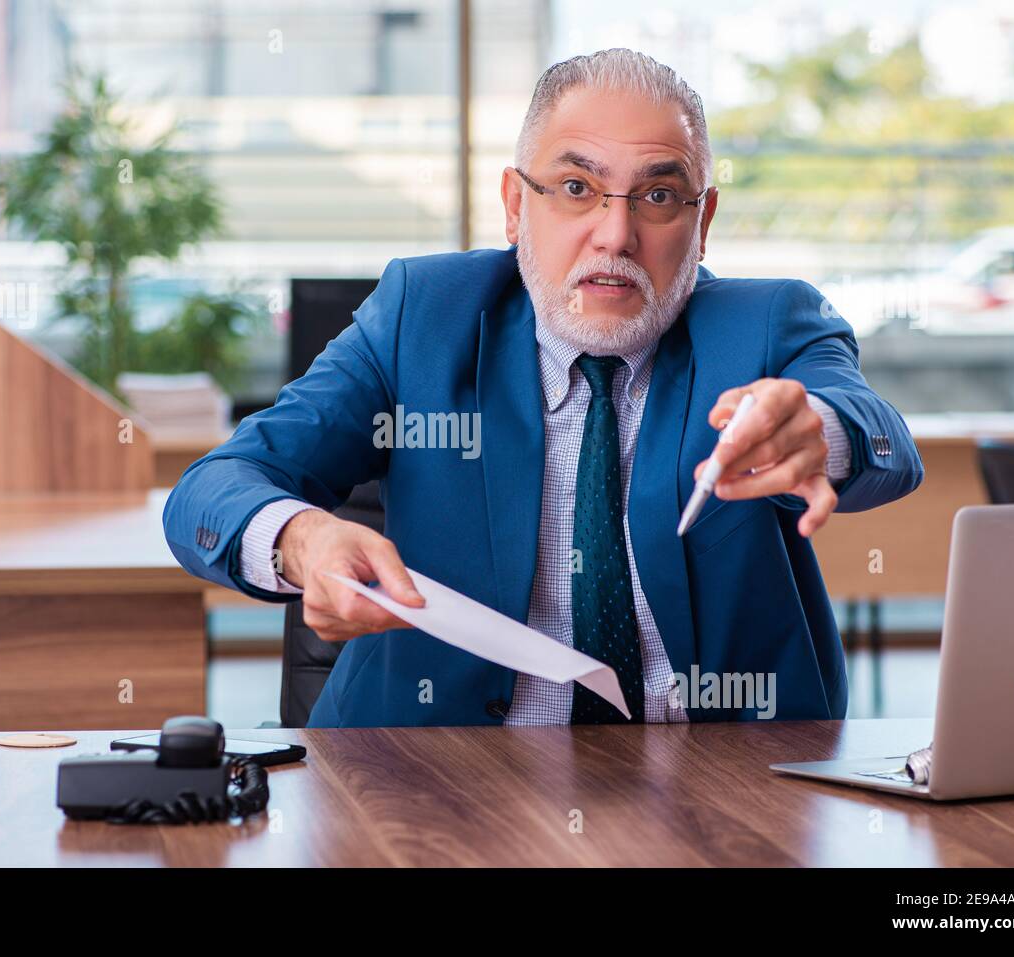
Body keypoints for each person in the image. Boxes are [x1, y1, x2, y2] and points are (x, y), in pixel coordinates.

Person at [164, 49, 924, 728]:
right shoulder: (422, 317)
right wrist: (303, 539)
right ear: (514, 204)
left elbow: (884, 437)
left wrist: (821, 431)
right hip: (433, 787)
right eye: (575, 185)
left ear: (704, 220)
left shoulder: (763, 327)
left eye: (658, 197)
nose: (616, 234)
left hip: (723, 793)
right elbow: (213, 486)